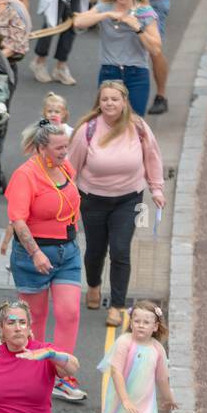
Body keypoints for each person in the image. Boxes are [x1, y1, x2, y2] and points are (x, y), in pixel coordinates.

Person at [67, 81, 166, 328]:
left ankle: (117, 305)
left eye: (114, 99)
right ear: (99, 103)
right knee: (95, 250)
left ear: (124, 102)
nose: (109, 103)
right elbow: (71, 167)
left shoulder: (139, 127)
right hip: (92, 199)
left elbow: (152, 158)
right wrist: (65, 198)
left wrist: (157, 188)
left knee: (120, 250)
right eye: (105, 99)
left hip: (128, 198)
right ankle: (93, 286)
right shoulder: (87, 130)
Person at [5, 119, 86, 375]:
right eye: (59, 148)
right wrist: (35, 252)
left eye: (66, 146)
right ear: (42, 148)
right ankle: (35, 371)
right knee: (35, 318)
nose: (64, 152)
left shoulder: (65, 168)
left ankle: (61, 372)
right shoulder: (25, 175)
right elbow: (18, 219)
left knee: (70, 312)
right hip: (33, 256)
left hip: (67, 252)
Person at [71, 0, 161, 117]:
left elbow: (155, 49)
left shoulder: (145, 13)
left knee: (135, 123)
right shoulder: (105, 7)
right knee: (107, 120)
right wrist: (106, 15)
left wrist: (138, 28)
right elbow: (78, 22)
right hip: (110, 72)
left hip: (136, 74)